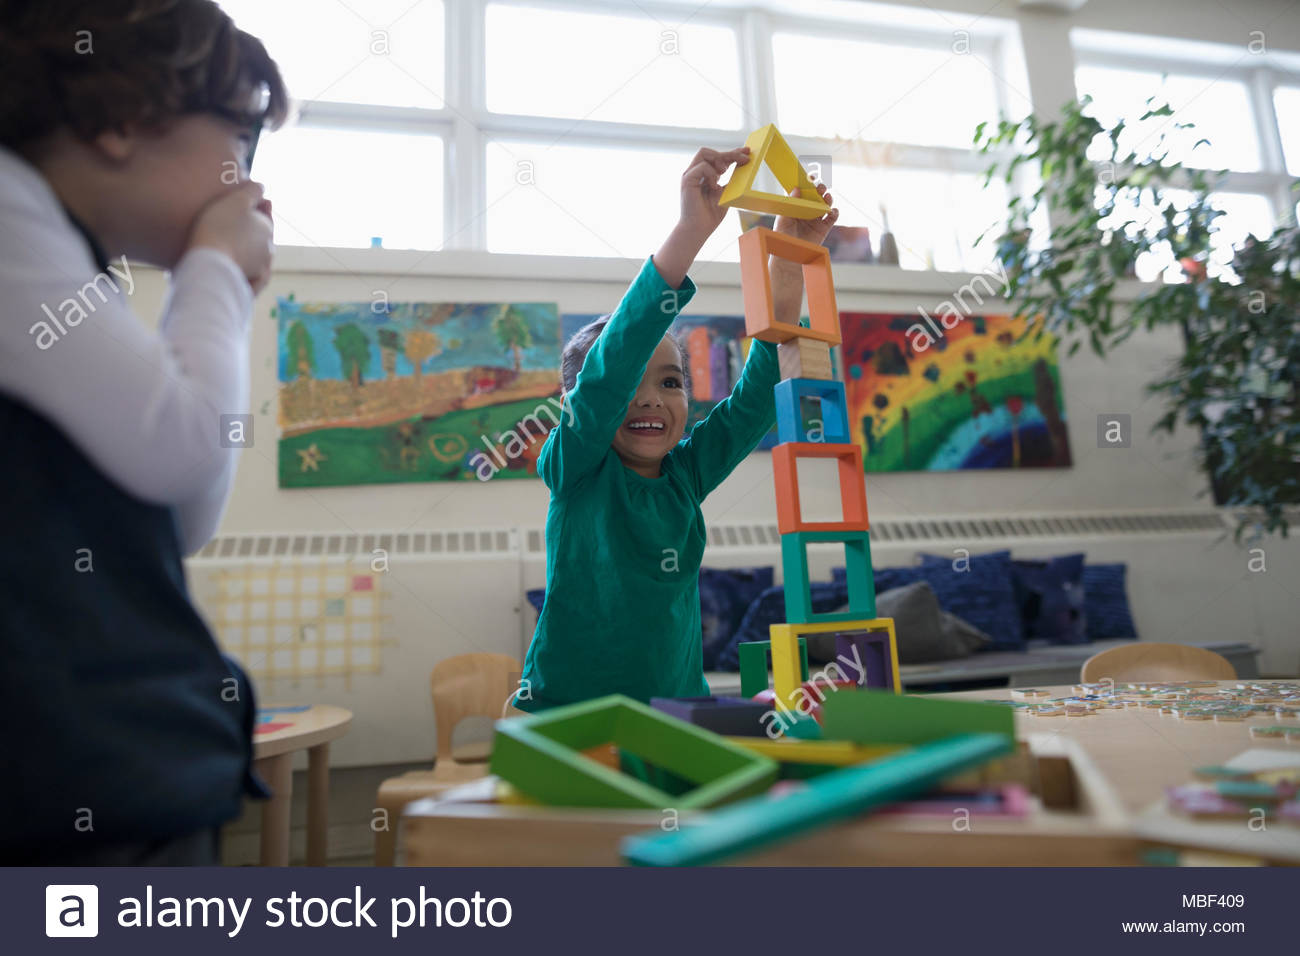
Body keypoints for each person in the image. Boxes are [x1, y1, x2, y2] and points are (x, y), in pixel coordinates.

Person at [0, 0, 287, 864]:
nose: (252, 185)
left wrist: (212, 280)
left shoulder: (66, 253)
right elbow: (185, 447)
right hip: (72, 801)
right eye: (238, 145)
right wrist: (219, 273)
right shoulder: (11, 211)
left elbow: (182, 508)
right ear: (125, 117)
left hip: (111, 790)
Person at [517, 146, 839, 713]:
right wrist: (692, 231)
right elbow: (610, 368)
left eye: (670, 383)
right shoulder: (576, 470)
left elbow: (754, 401)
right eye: (630, 388)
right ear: (578, 406)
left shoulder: (685, 474)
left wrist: (787, 262)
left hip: (677, 711)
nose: (650, 399)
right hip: (570, 714)